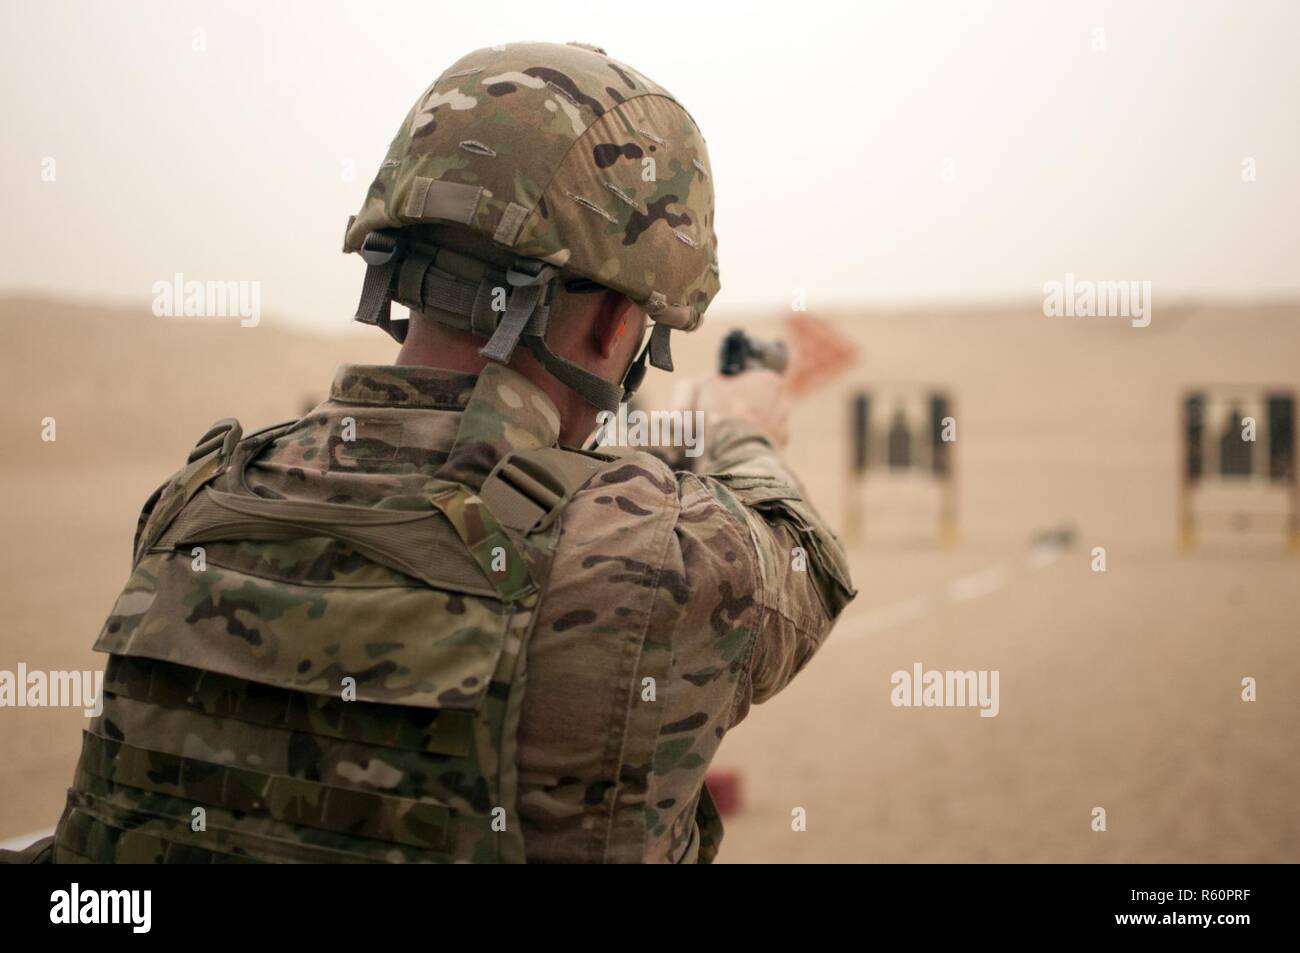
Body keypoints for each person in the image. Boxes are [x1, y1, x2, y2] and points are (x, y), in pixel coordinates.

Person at [22, 41, 854, 865]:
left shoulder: (191, 503)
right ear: (617, 326)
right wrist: (737, 424)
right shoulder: (649, 553)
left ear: (398, 261)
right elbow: (805, 560)